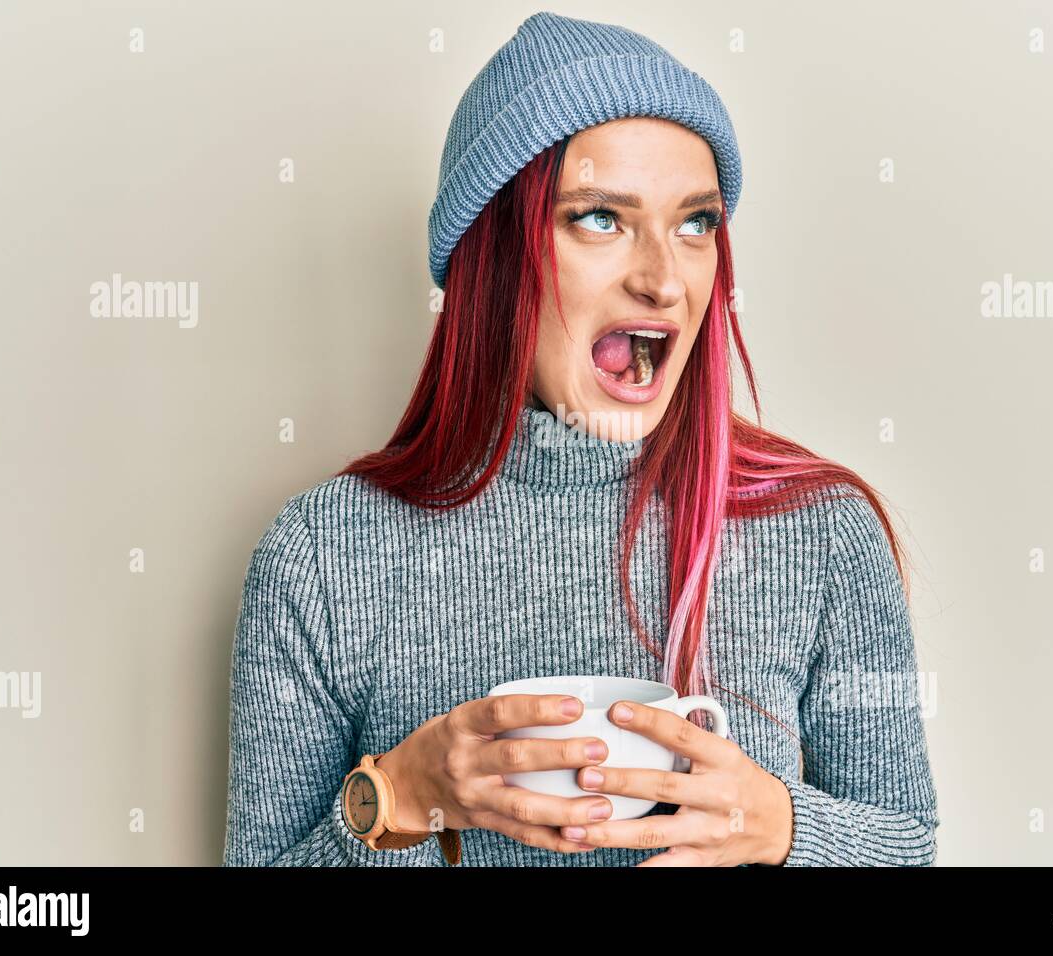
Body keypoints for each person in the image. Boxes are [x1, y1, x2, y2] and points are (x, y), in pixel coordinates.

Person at [223, 10, 938, 867]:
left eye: (696, 223)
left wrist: (781, 827)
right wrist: (401, 799)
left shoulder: (820, 530)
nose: (663, 279)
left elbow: (909, 846)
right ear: (493, 256)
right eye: (600, 217)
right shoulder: (322, 554)